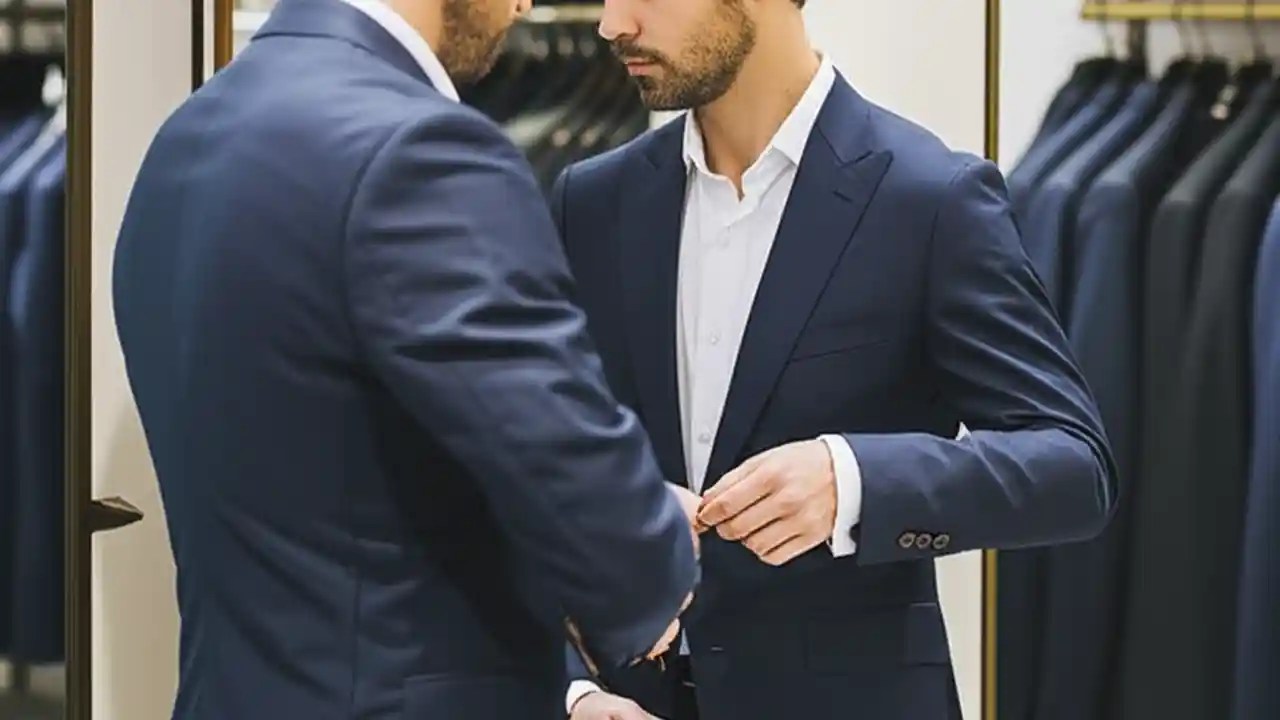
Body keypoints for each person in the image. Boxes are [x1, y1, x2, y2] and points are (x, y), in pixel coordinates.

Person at [111, 0, 701, 717]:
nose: (523, 4)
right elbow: (615, 543)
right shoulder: (420, 152)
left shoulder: (189, 133)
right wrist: (648, 527)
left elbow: (333, 474)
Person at [553, 1, 1120, 719]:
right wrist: (570, 689)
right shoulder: (594, 202)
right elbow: (535, 473)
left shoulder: (932, 201)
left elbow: (1074, 466)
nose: (612, 25)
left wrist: (851, 480)